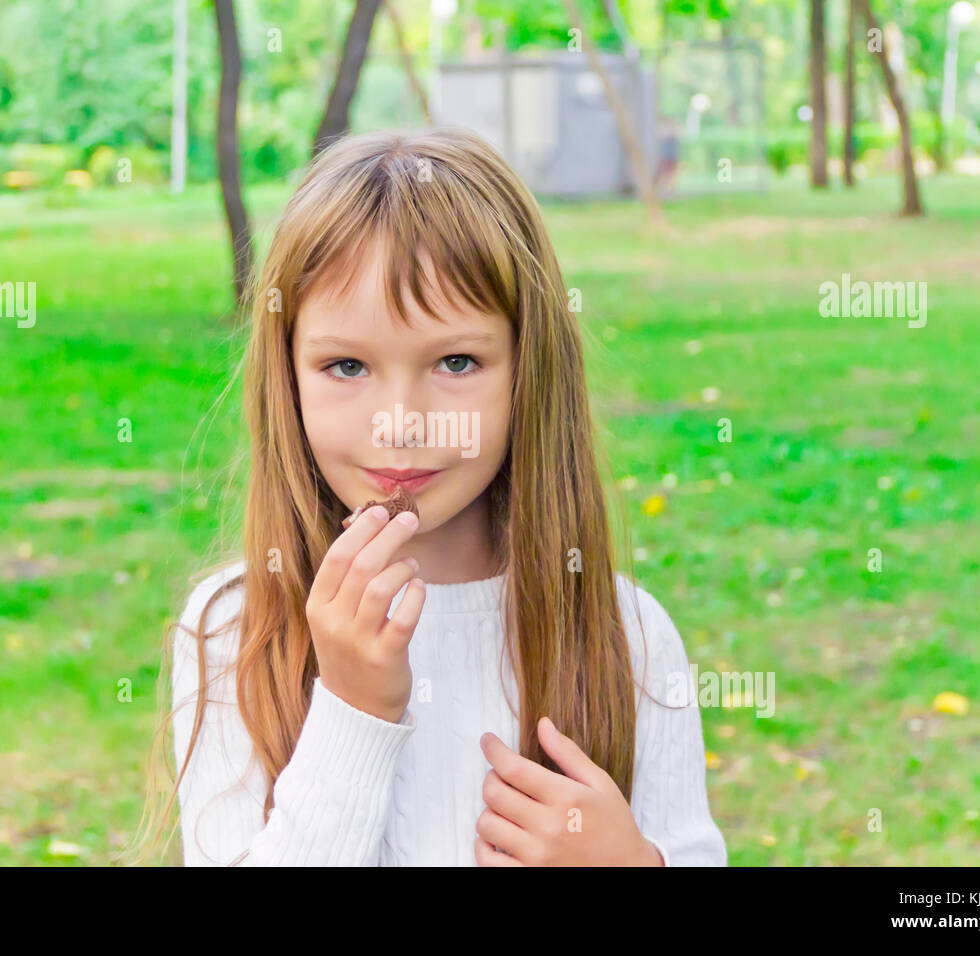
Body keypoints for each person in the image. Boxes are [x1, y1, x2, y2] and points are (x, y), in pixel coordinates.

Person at [146, 127, 726, 867]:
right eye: (347, 365)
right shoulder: (235, 629)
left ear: (529, 369)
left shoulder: (629, 634)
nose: (400, 423)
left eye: (456, 360)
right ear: (287, 374)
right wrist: (354, 711)